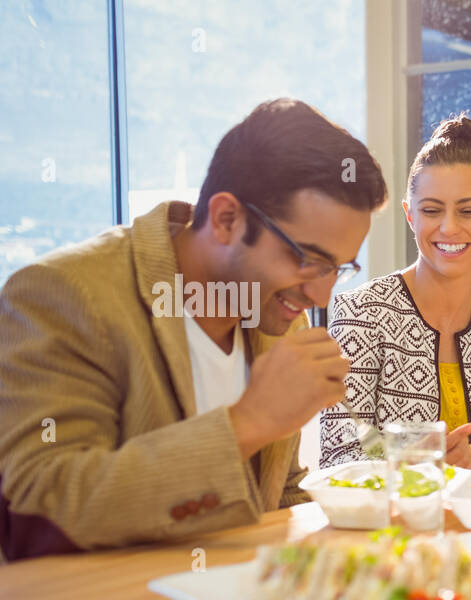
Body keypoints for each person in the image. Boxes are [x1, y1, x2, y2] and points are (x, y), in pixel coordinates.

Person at [0, 99, 386, 562]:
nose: (321, 297)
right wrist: (249, 421)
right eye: (307, 260)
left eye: (338, 269)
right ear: (226, 219)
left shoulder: (277, 317)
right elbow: (35, 509)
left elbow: (276, 496)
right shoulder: (66, 294)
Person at [320, 114, 471, 470]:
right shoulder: (362, 316)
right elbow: (338, 461)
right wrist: (414, 460)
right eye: (431, 210)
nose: (449, 227)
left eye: (468, 211)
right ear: (410, 215)